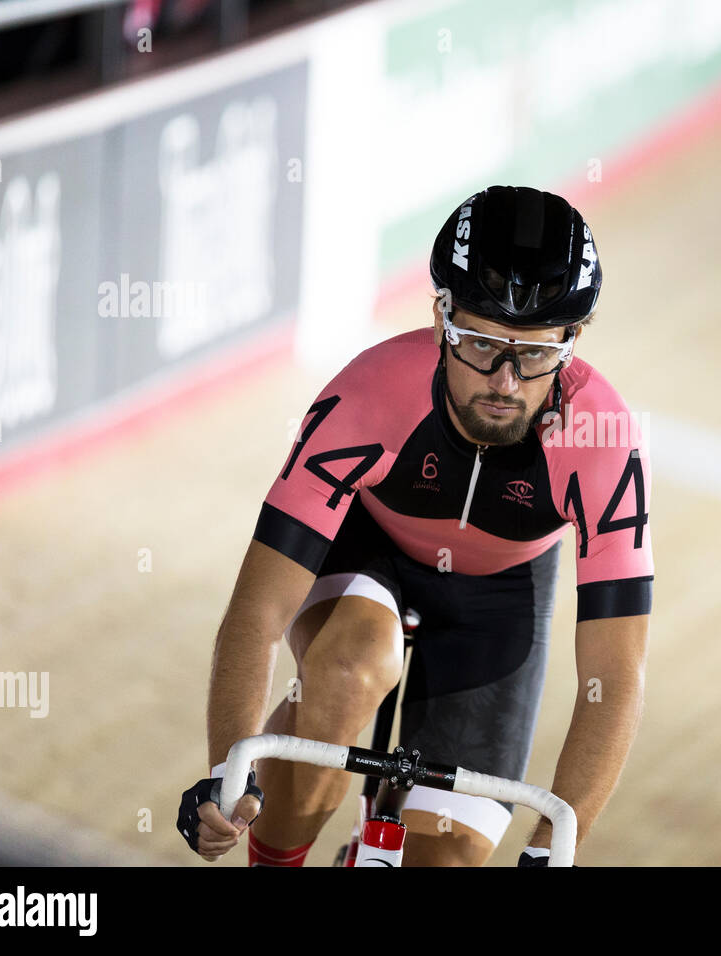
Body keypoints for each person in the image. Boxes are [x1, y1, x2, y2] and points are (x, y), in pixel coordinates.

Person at [176, 185, 653, 866]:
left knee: (448, 861)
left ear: (572, 342)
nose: (507, 381)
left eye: (537, 353)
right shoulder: (370, 394)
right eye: (484, 345)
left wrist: (552, 845)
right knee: (350, 667)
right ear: (441, 320)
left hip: (497, 604)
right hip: (371, 552)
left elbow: (616, 674)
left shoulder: (601, 439)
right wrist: (229, 774)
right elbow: (258, 611)